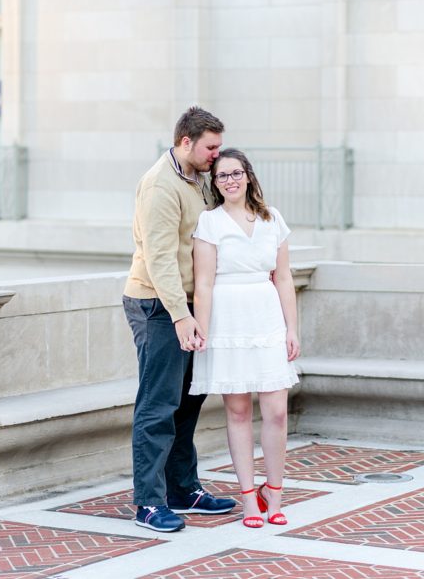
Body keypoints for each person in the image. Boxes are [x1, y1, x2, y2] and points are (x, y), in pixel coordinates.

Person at [123, 106, 237, 533]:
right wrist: (180, 316)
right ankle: (149, 503)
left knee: (188, 403)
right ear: (186, 142)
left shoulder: (199, 181)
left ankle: (182, 489)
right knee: (158, 405)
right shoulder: (160, 185)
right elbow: (160, 260)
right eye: (211, 147)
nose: (216, 155)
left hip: (189, 306)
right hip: (157, 305)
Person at [189, 148, 300, 528]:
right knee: (237, 411)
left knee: (277, 412)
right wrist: (201, 327)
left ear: (248, 176)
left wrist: (292, 329)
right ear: (215, 184)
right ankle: (249, 498)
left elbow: (283, 278)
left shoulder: (273, 220)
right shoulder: (210, 222)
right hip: (228, 320)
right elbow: (203, 281)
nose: (231, 180)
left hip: (267, 317)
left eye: (236, 173)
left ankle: (276, 491)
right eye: (222, 176)